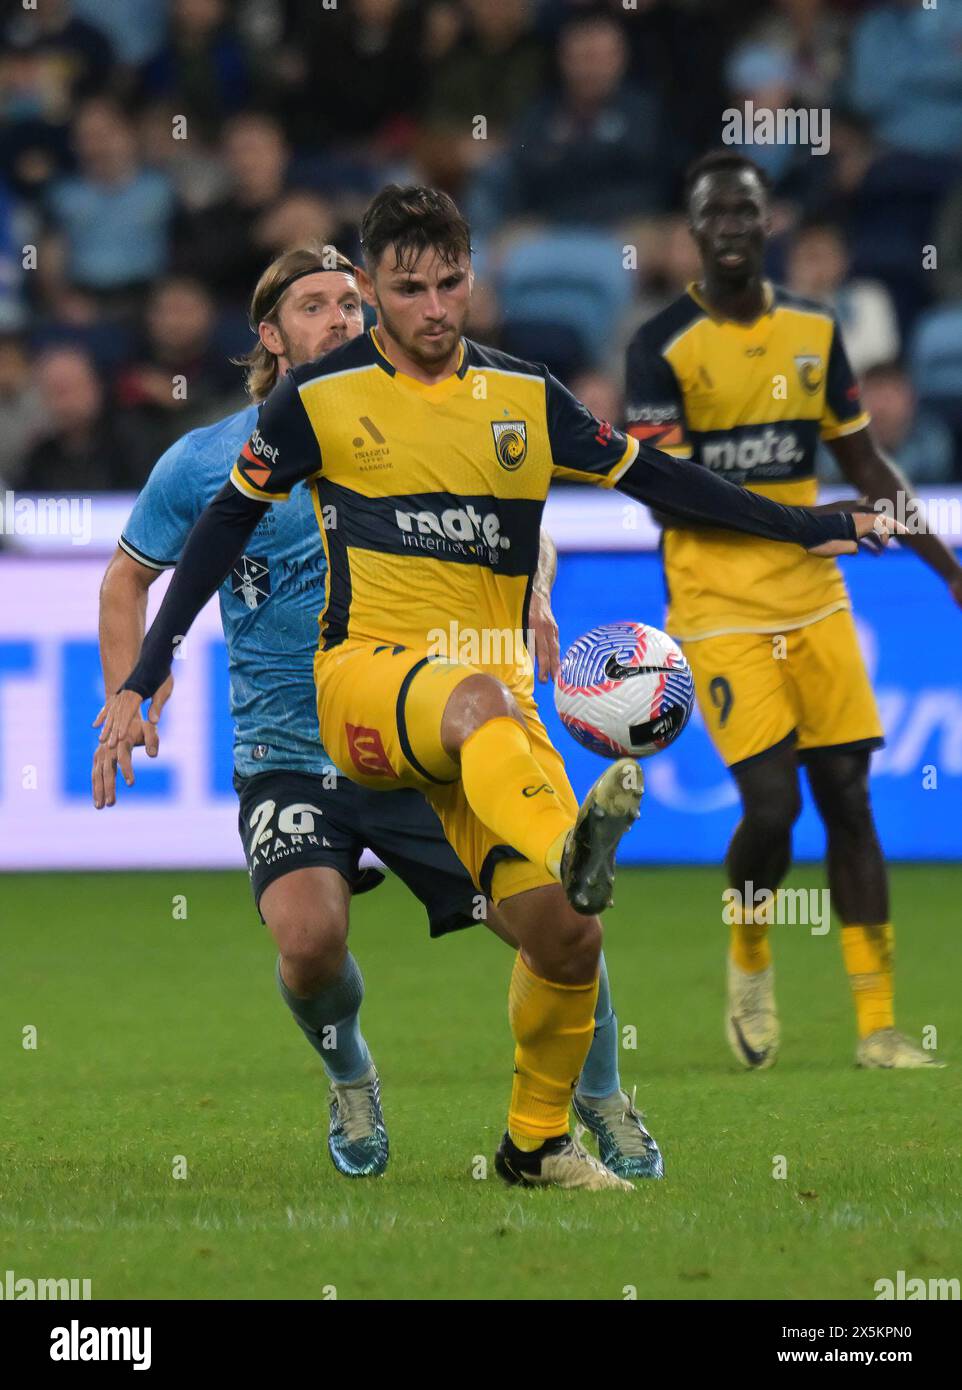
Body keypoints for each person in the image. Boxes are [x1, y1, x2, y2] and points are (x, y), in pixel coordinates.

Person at [97, 186, 888, 1191]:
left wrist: (805, 523)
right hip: (356, 696)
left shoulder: (524, 394)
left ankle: (537, 1140)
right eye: (402, 290)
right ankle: (422, 1002)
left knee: (565, 933)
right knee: (327, 910)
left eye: (448, 284)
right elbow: (209, 537)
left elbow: (657, 480)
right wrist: (148, 669)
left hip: (474, 729)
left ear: (472, 278)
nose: (429, 308)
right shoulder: (310, 405)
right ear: (363, 302)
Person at [92, 240, 664, 1184]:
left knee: (556, 919)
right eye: (314, 306)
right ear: (270, 334)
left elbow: (523, 534)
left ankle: (596, 1093)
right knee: (309, 943)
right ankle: (351, 1072)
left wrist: (537, 593)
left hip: (419, 734)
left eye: (353, 305)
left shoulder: (415, 416)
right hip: (288, 746)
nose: (342, 320)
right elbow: (128, 577)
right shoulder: (203, 462)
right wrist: (133, 683)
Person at [624, 151, 959, 1071]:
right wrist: (804, 521)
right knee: (771, 809)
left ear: (767, 224)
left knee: (849, 798)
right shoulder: (662, 343)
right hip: (717, 601)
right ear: (693, 233)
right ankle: (751, 954)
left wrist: (947, 568)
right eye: (714, 214)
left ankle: (879, 1025)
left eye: (747, 211)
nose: (732, 227)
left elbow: (864, 467)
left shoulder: (816, 330)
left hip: (814, 599)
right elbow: (668, 494)